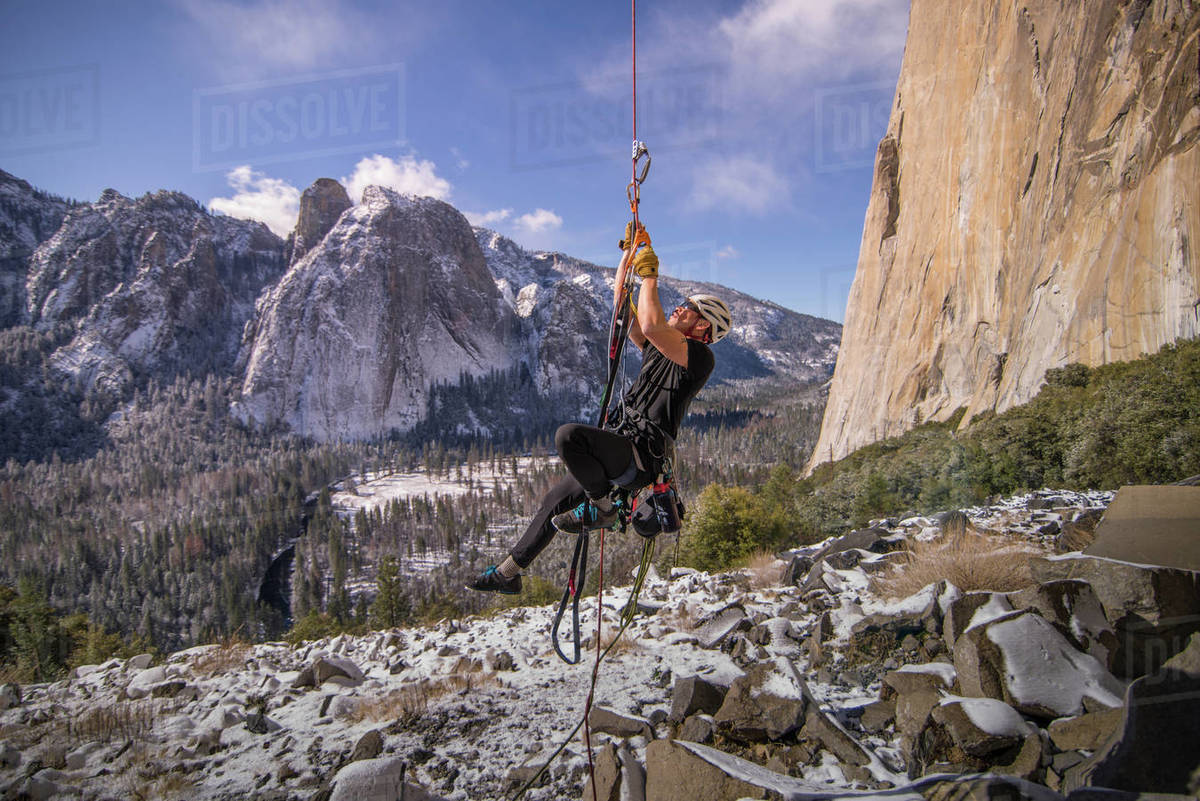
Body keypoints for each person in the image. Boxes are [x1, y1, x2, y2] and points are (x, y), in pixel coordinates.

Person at [469, 223, 732, 594]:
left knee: (569, 437)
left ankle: (603, 507)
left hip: (641, 454)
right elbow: (624, 311)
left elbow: (654, 325)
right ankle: (509, 572)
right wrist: (630, 255)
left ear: (702, 324)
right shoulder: (661, 350)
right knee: (555, 500)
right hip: (621, 444)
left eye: (686, 308)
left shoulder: (700, 358)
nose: (679, 308)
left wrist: (650, 272)